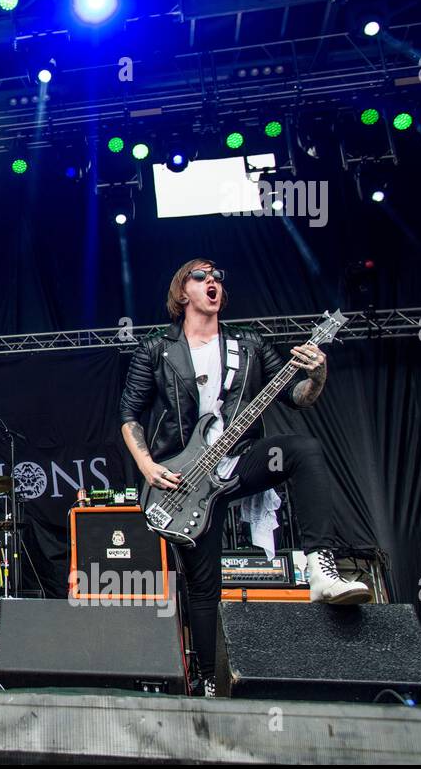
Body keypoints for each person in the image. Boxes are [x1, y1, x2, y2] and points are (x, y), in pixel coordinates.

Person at [118, 259, 370, 694]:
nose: (212, 281)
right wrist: (146, 464)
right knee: (203, 588)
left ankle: (319, 568)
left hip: (239, 460)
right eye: (201, 276)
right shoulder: (157, 348)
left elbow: (297, 397)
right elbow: (129, 414)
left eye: (217, 277)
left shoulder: (249, 345)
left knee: (303, 450)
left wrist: (318, 374)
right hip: (185, 480)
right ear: (183, 293)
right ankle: (206, 684)